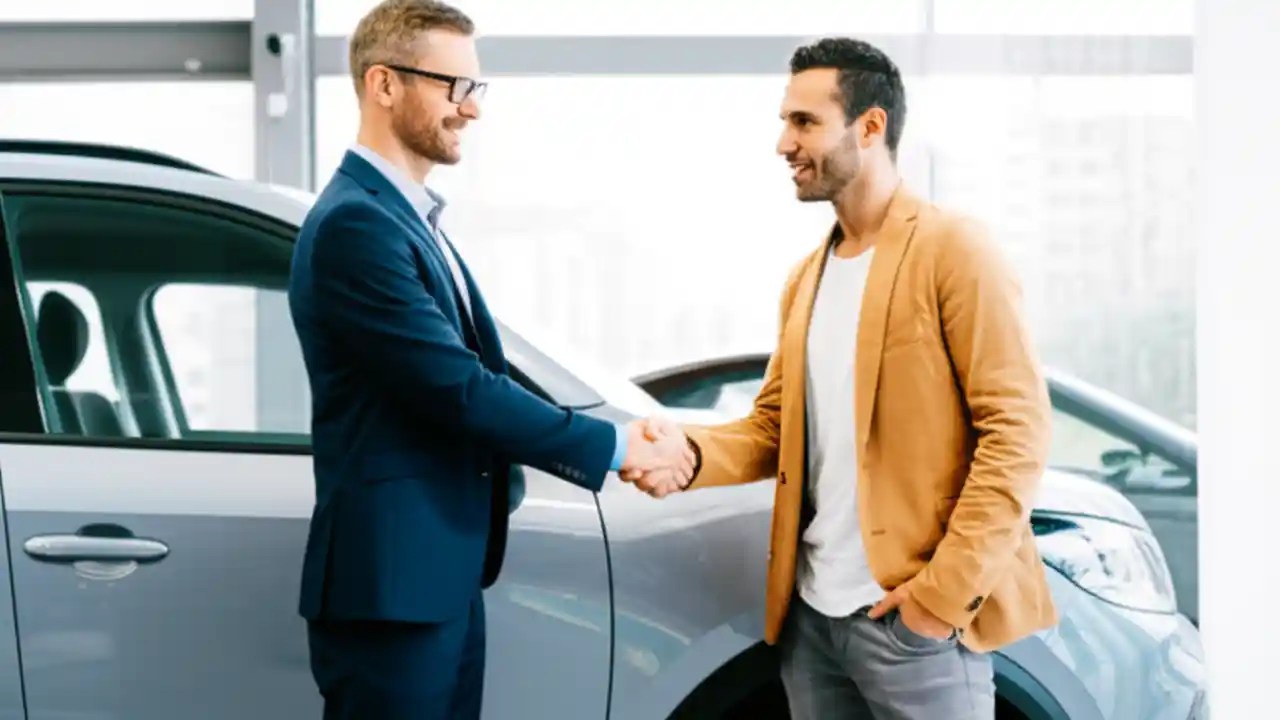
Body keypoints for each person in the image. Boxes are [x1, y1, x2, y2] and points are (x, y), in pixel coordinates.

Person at [625, 37, 1057, 719]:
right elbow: (775, 428)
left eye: (803, 122)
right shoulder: (808, 277)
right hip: (813, 623)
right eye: (785, 121)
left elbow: (1018, 433)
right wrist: (687, 450)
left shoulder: (954, 249)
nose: (782, 143)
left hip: (911, 626)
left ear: (870, 125)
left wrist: (939, 601)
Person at [287, 2, 692, 718]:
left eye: (476, 89)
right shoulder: (357, 225)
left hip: (432, 582)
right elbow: (458, 390)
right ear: (384, 85)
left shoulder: (404, 217)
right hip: (391, 591)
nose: (471, 110)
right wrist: (614, 445)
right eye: (454, 87)